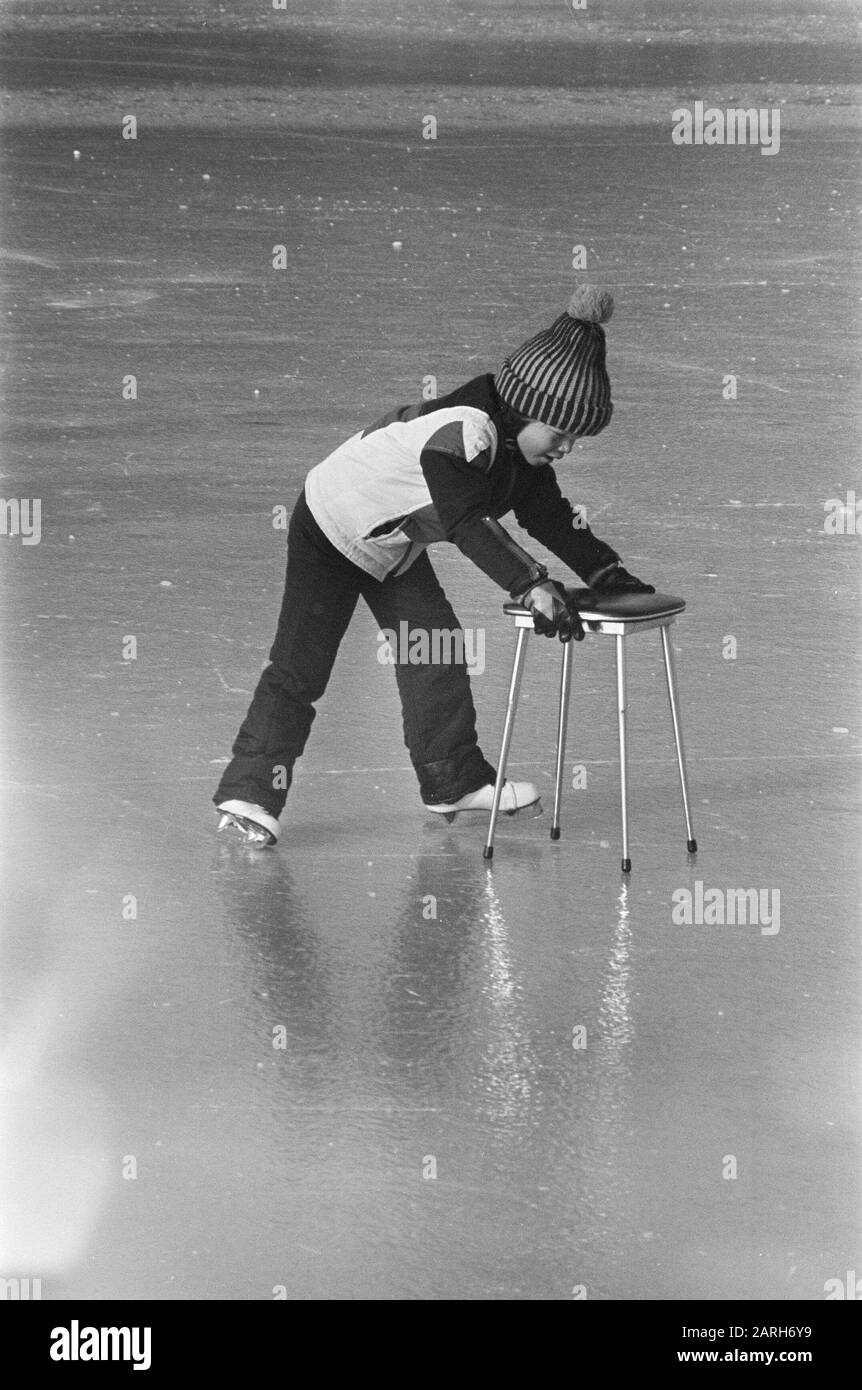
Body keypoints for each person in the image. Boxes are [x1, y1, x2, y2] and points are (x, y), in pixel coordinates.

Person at [214, 284, 654, 846]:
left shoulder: (520, 449)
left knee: (436, 647)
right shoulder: (463, 432)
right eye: (562, 432)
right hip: (330, 522)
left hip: (392, 543)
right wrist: (533, 586)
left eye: (576, 437)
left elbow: (549, 518)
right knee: (302, 664)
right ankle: (250, 793)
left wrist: (605, 573)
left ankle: (454, 781)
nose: (567, 446)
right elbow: (469, 523)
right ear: (528, 409)